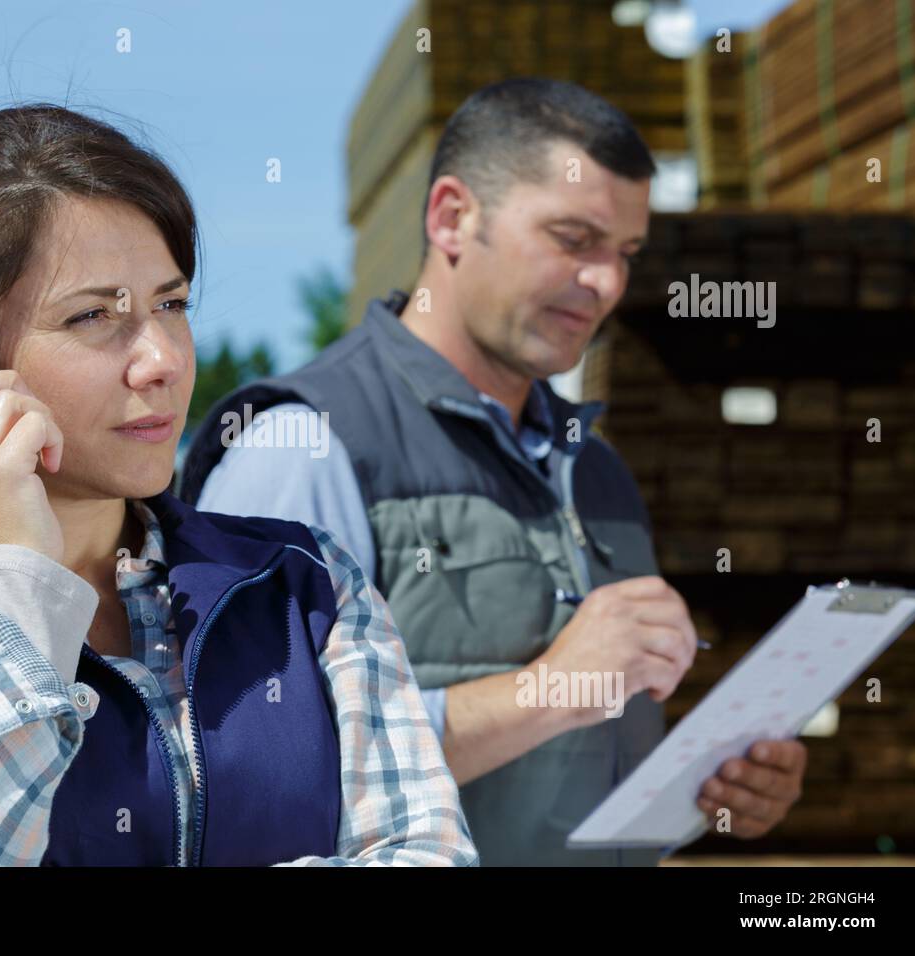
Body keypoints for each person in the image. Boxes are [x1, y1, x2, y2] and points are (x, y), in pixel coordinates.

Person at [0, 104, 477, 867]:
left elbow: (427, 853)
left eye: (171, 303)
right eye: (94, 316)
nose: (161, 358)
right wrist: (16, 596)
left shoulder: (305, 584)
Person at [180, 78, 806, 865]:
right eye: (575, 239)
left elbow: (576, 754)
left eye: (626, 254)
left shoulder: (598, 469)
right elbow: (250, 781)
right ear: (452, 217)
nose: (608, 283)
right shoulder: (301, 447)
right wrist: (553, 688)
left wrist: (712, 789)